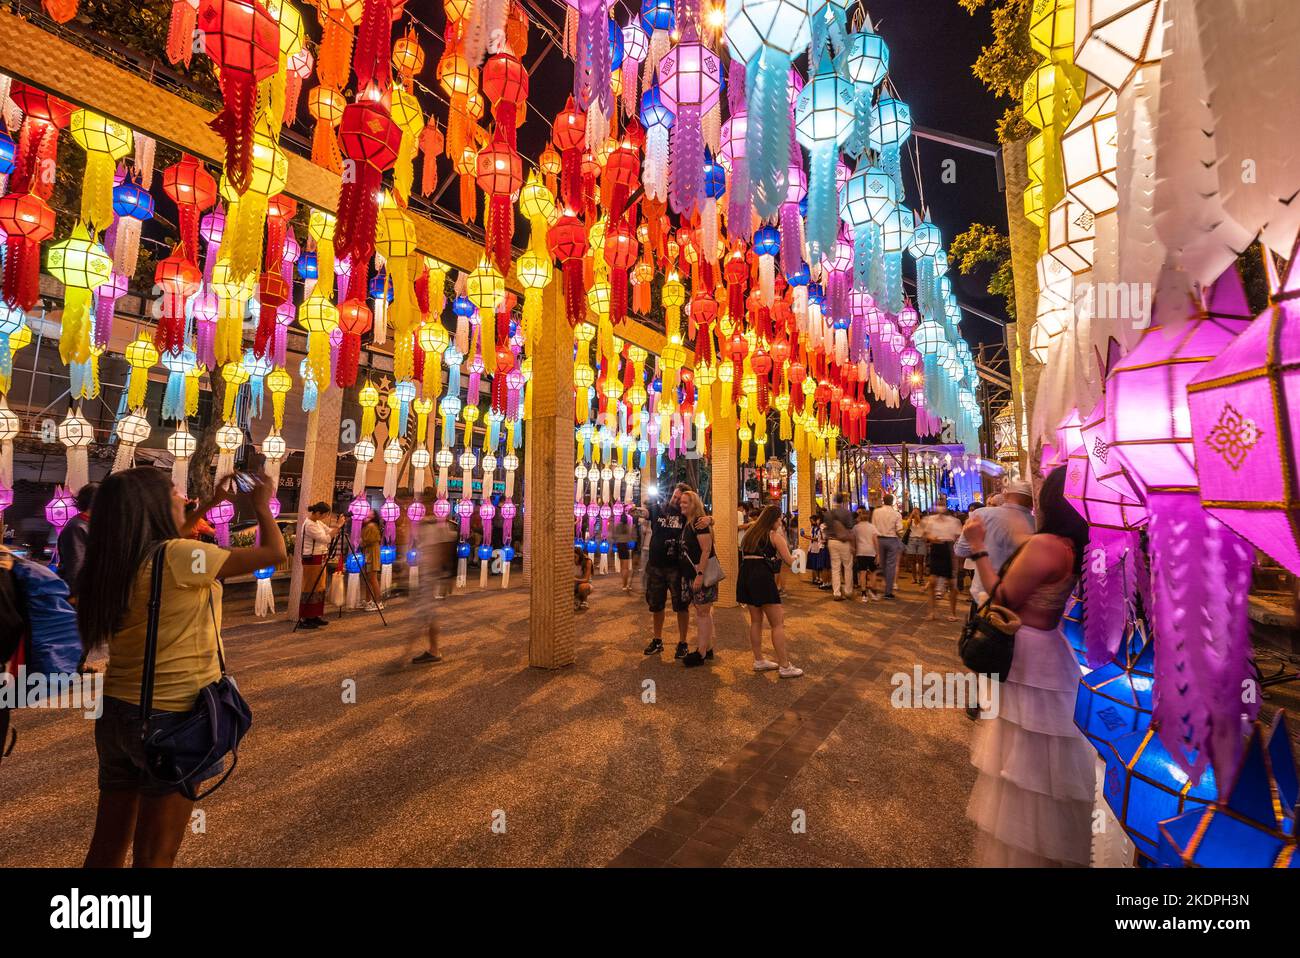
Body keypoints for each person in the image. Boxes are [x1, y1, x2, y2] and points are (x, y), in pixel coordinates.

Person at [78, 467, 286, 867]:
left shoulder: (119, 557)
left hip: (118, 713)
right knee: (155, 855)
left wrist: (210, 505)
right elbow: (273, 555)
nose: (184, 498)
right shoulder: (181, 557)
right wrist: (262, 507)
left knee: (106, 846)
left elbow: (170, 544)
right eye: (176, 493)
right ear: (154, 505)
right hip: (172, 718)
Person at [963, 465, 1094, 867]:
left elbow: (999, 598)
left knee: (1025, 762)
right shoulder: (1074, 546)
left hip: (1027, 654)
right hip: (1051, 651)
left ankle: (1027, 853)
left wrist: (979, 546)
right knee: (1043, 758)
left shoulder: (1048, 546)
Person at [737, 504, 803, 678]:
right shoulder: (774, 536)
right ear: (773, 519)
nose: (780, 521)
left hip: (746, 576)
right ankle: (784, 665)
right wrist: (798, 557)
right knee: (777, 623)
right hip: (763, 578)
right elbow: (789, 561)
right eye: (779, 518)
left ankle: (759, 660)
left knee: (756, 621)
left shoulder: (750, 534)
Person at [955, 479, 1035, 609]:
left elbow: (961, 551)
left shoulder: (981, 515)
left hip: (983, 594)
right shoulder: (1036, 524)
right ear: (1032, 501)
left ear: (1006, 495)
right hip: (1018, 599)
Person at [641, 483, 695, 658]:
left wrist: (711, 520)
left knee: (681, 605)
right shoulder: (659, 509)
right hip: (656, 565)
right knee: (656, 605)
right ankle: (657, 640)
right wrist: (635, 511)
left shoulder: (686, 515)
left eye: (680, 499)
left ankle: (683, 642)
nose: (676, 500)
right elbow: (645, 513)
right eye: (675, 496)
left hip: (676, 567)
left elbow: (703, 519)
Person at [677, 490, 716, 667]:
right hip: (691, 574)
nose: (682, 505)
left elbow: (706, 550)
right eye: (681, 502)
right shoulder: (689, 522)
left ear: (694, 504)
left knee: (702, 612)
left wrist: (700, 575)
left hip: (702, 574)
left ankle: (701, 653)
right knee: (702, 611)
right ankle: (707, 648)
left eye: (686, 502)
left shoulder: (700, 523)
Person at [297, 501, 343, 629]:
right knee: (310, 588)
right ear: (317, 513)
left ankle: (315, 615)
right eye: (323, 515)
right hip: (311, 560)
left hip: (320, 559)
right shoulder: (309, 524)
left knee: (319, 587)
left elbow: (329, 531)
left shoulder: (317, 522)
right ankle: (305, 618)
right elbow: (326, 539)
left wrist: (337, 526)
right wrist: (338, 526)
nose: (324, 518)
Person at [56, 481, 98, 601]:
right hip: (78, 594)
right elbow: (76, 565)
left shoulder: (91, 525)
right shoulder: (77, 527)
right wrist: (77, 594)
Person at [921, 503, 963, 621]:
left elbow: (958, 537)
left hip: (948, 549)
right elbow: (924, 535)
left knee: (952, 584)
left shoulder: (954, 521)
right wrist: (931, 538)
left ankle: (953, 613)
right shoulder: (929, 520)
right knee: (932, 582)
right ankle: (932, 612)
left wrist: (957, 559)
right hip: (936, 550)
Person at [824, 493, 856, 601]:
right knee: (847, 566)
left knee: (835, 567)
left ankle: (836, 592)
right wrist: (852, 544)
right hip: (844, 542)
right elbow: (850, 529)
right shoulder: (847, 513)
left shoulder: (828, 514)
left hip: (832, 541)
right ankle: (848, 591)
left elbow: (826, 528)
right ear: (843, 501)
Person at [872, 494, 904, 598]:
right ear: (892, 502)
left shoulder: (876, 512)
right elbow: (899, 530)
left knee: (880, 564)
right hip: (891, 540)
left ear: (883, 501)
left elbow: (873, 527)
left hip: (879, 539)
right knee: (891, 566)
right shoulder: (896, 514)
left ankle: (877, 586)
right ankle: (888, 591)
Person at [852, 508, 880, 602]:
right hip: (871, 552)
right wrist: (878, 553)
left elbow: (854, 541)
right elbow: (875, 540)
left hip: (860, 552)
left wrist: (854, 552)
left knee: (862, 573)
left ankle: (864, 595)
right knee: (873, 573)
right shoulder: (872, 527)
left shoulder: (856, 527)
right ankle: (873, 593)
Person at [360, 509, 384, 611]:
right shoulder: (369, 525)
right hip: (370, 552)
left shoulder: (371, 526)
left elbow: (369, 540)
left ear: (373, 515)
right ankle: (368, 601)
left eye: (370, 511)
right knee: (368, 579)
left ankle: (378, 602)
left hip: (372, 553)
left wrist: (362, 542)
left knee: (372, 578)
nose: (367, 512)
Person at [802, 513, 829, 588]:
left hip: (819, 548)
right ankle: (818, 579)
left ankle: (823, 580)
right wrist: (805, 536)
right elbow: (813, 537)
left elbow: (818, 538)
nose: (812, 522)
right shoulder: (814, 528)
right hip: (813, 548)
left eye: (813, 521)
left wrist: (806, 537)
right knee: (814, 565)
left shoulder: (821, 527)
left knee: (821, 566)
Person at [611, 511, 635, 592]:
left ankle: (623, 584)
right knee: (626, 568)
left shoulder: (617, 526)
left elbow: (614, 537)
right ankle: (625, 585)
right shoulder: (628, 527)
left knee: (622, 567)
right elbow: (631, 537)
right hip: (625, 546)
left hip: (619, 546)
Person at [903, 506, 926, 585]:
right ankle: (914, 577)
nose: (915, 513)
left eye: (917, 512)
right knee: (913, 560)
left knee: (920, 560)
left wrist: (918, 517)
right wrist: (911, 516)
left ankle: (921, 578)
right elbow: (907, 525)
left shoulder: (923, 521)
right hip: (912, 540)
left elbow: (923, 527)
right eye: (914, 511)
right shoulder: (911, 520)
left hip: (921, 541)